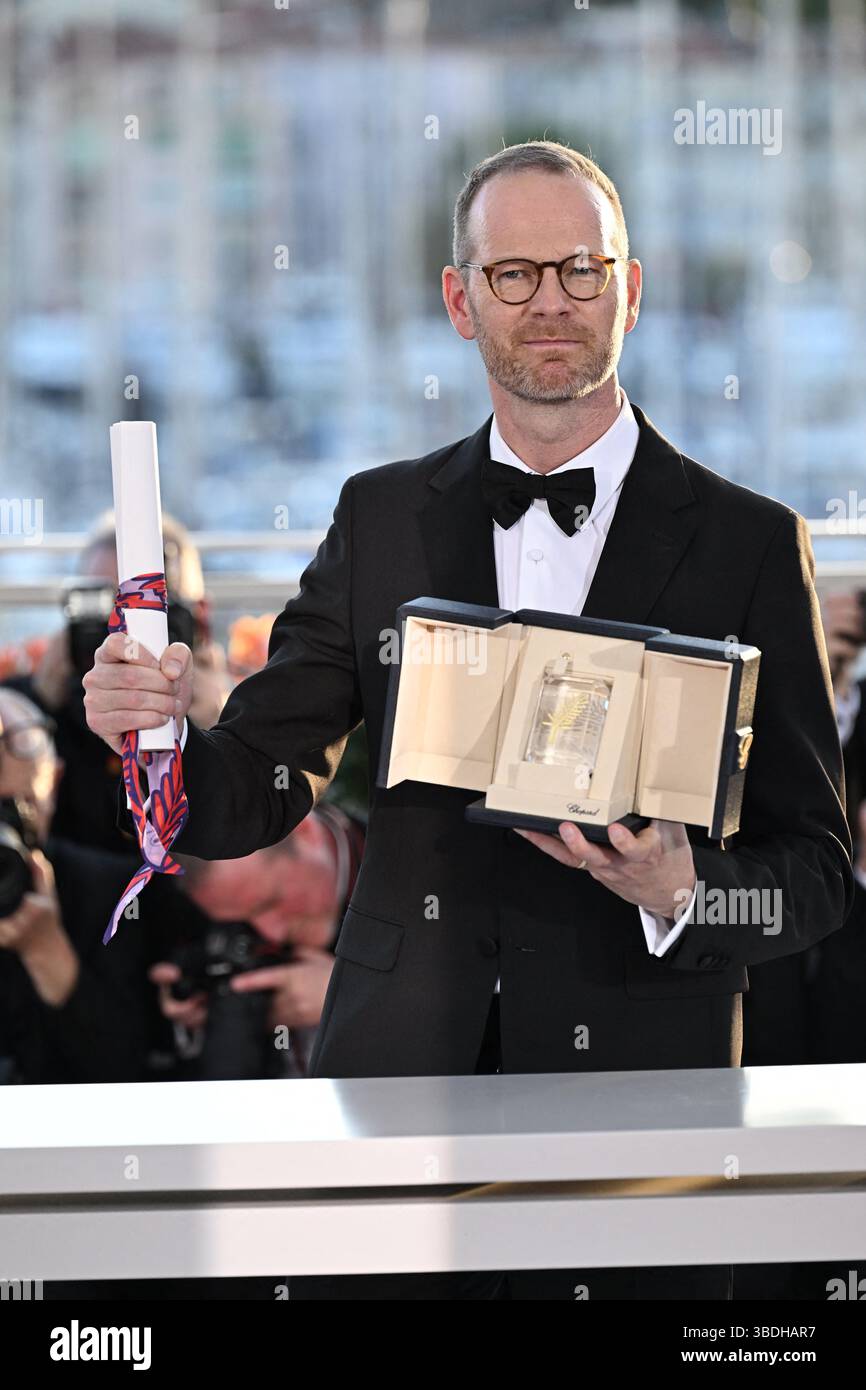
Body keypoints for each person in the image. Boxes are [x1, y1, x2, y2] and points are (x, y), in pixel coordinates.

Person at [84, 140, 853, 1300]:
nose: (550, 301)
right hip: (396, 1083)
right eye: (512, 275)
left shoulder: (750, 542)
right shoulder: (379, 514)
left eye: (580, 271)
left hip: (645, 1101)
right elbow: (261, 777)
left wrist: (682, 893)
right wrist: (153, 740)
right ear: (459, 300)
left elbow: (817, 874)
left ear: (629, 290)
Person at [0, 689, 148, 1084]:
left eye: (18, 808)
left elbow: (124, 1072)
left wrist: (45, 949)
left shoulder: (115, 892)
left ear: (55, 782)